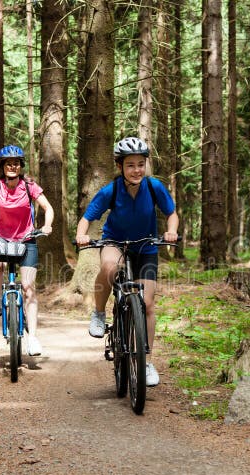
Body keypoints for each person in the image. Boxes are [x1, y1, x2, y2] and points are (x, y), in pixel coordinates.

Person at [75, 137, 179, 387]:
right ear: (120, 166)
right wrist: (81, 235)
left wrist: (171, 231)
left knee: (148, 304)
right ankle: (99, 314)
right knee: (109, 267)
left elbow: (171, 214)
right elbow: (87, 218)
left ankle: (146, 362)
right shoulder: (110, 190)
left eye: (140, 164)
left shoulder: (154, 187)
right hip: (115, 242)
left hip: (146, 246)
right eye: (130, 165)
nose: (136, 170)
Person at [0, 145, 54, 357]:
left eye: (16, 163)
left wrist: (47, 225)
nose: (12, 166)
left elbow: (48, 208)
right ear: (3, 166)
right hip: (3, 240)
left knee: (28, 288)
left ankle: (32, 338)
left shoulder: (29, 186)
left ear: (21, 166)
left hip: (27, 241)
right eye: (8, 163)